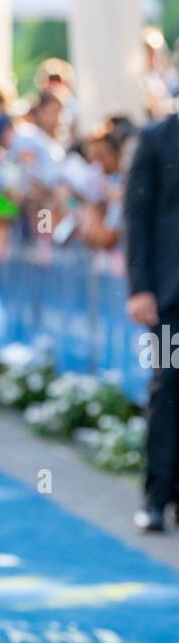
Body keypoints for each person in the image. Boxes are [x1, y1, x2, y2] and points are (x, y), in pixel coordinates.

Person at [123, 106, 179, 531]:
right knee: (169, 388)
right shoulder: (156, 138)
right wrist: (140, 288)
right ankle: (158, 497)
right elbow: (136, 216)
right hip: (168, 298)